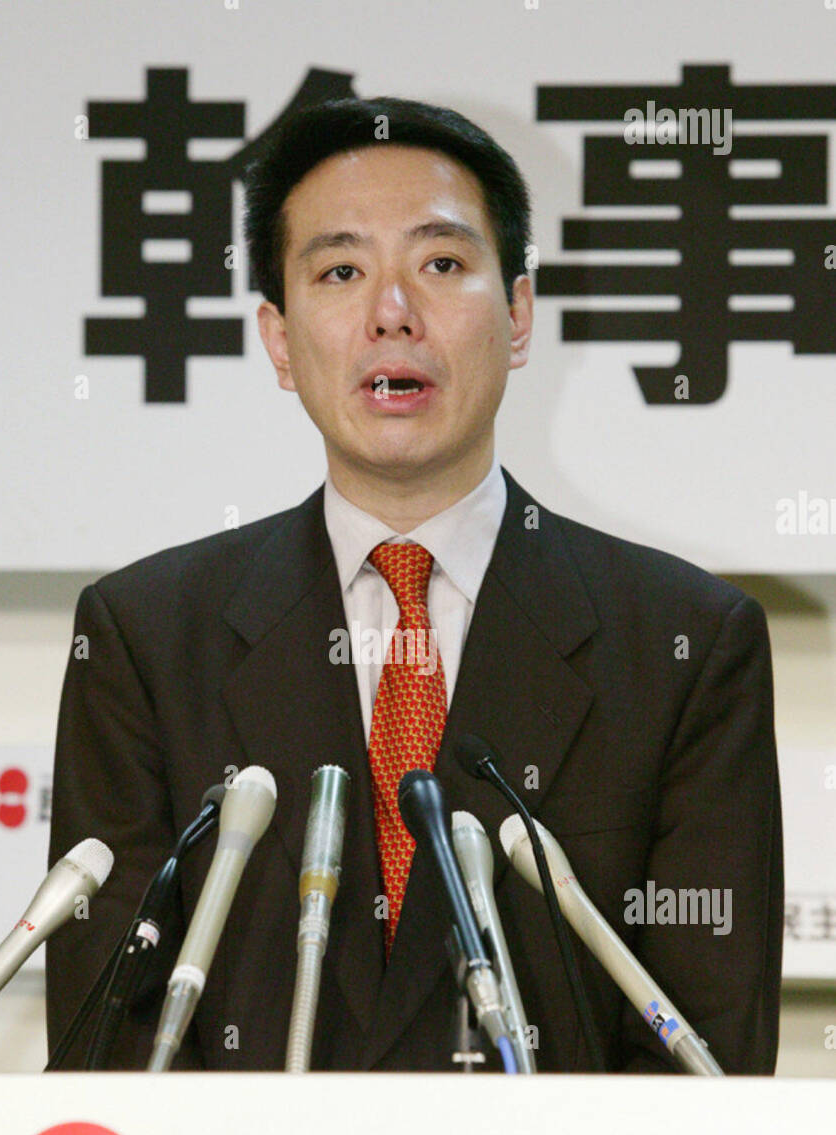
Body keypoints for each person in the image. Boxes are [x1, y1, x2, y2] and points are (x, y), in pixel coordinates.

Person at [45, 96, 783, 1074]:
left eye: (441, 264)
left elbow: (706, 1061)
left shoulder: (687, 643)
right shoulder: (143, 640)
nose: (393, 311)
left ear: (518, 314)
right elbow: (113, 1055)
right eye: (341, 271)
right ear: (276, 337)